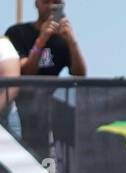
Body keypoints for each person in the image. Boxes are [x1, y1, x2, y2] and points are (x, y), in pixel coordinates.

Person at [6, 0, 86, 148]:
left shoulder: (63, 40)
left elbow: (80, 73)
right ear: (36, 3)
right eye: (46, 2)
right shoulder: (17, 32)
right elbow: (26, 71)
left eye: (56, 2)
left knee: (51, 161)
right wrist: (41, 40)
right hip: (22, 112)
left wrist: (72, 41)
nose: (51, 6)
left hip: (51, 117)